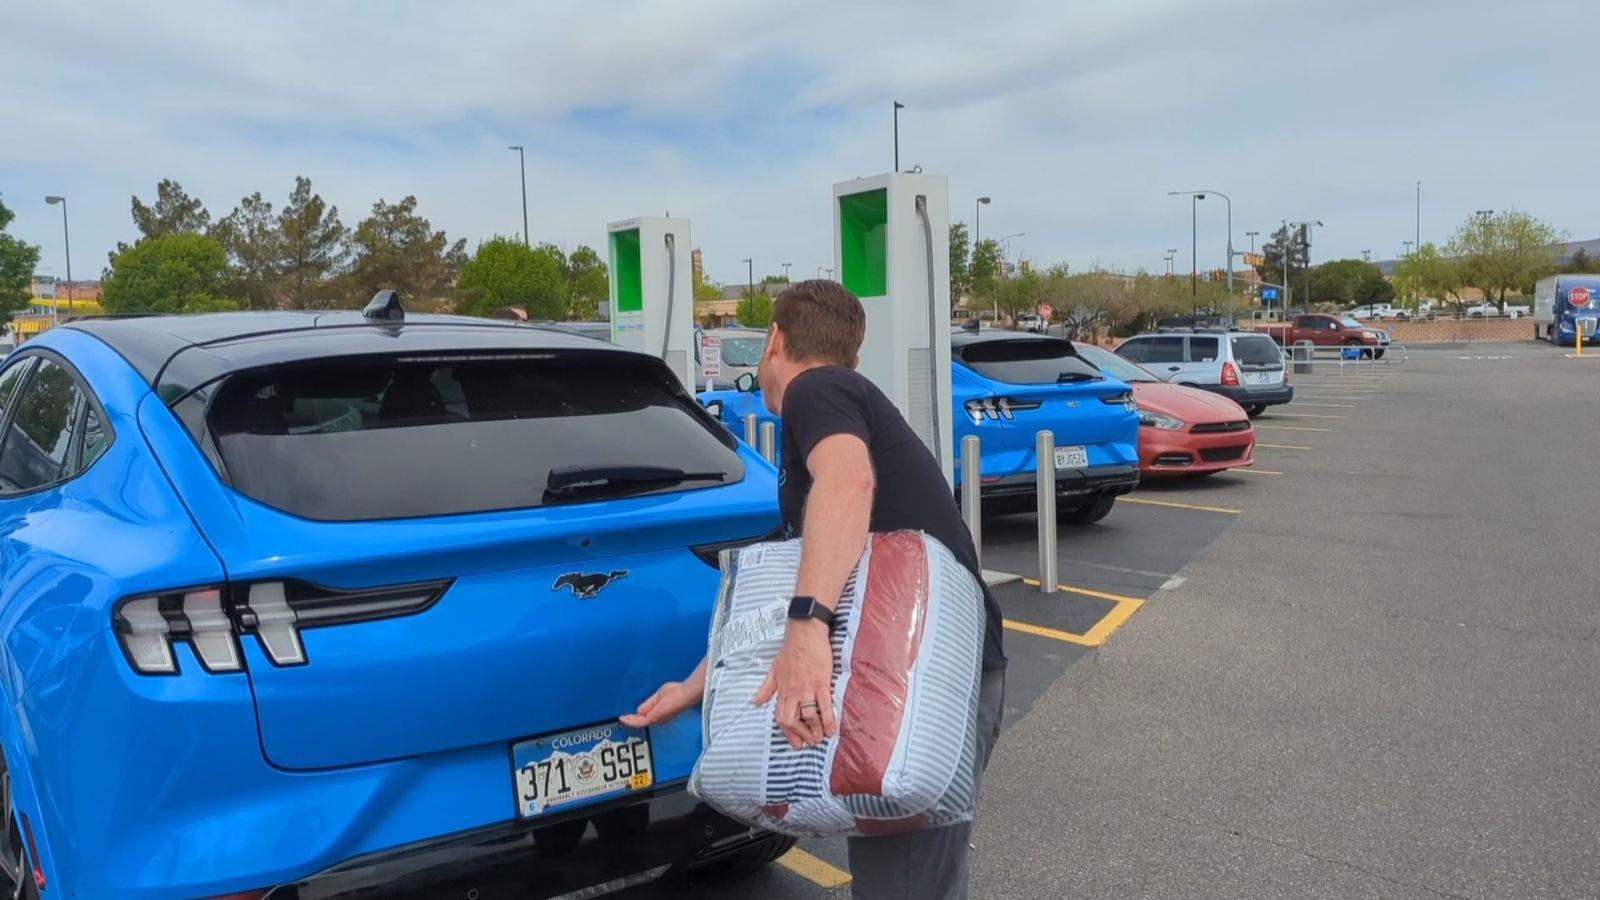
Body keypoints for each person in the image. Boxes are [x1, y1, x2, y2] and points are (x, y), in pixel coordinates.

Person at [623, 279, 1006, 900]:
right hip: (931, 672)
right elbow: (782, 587)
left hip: (912, 679)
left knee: (903, 887)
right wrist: (695, 685)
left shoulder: (816, 388)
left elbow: (849, 483)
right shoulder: (847, 399)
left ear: (775, 339)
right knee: (915, 880)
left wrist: (807, 633)